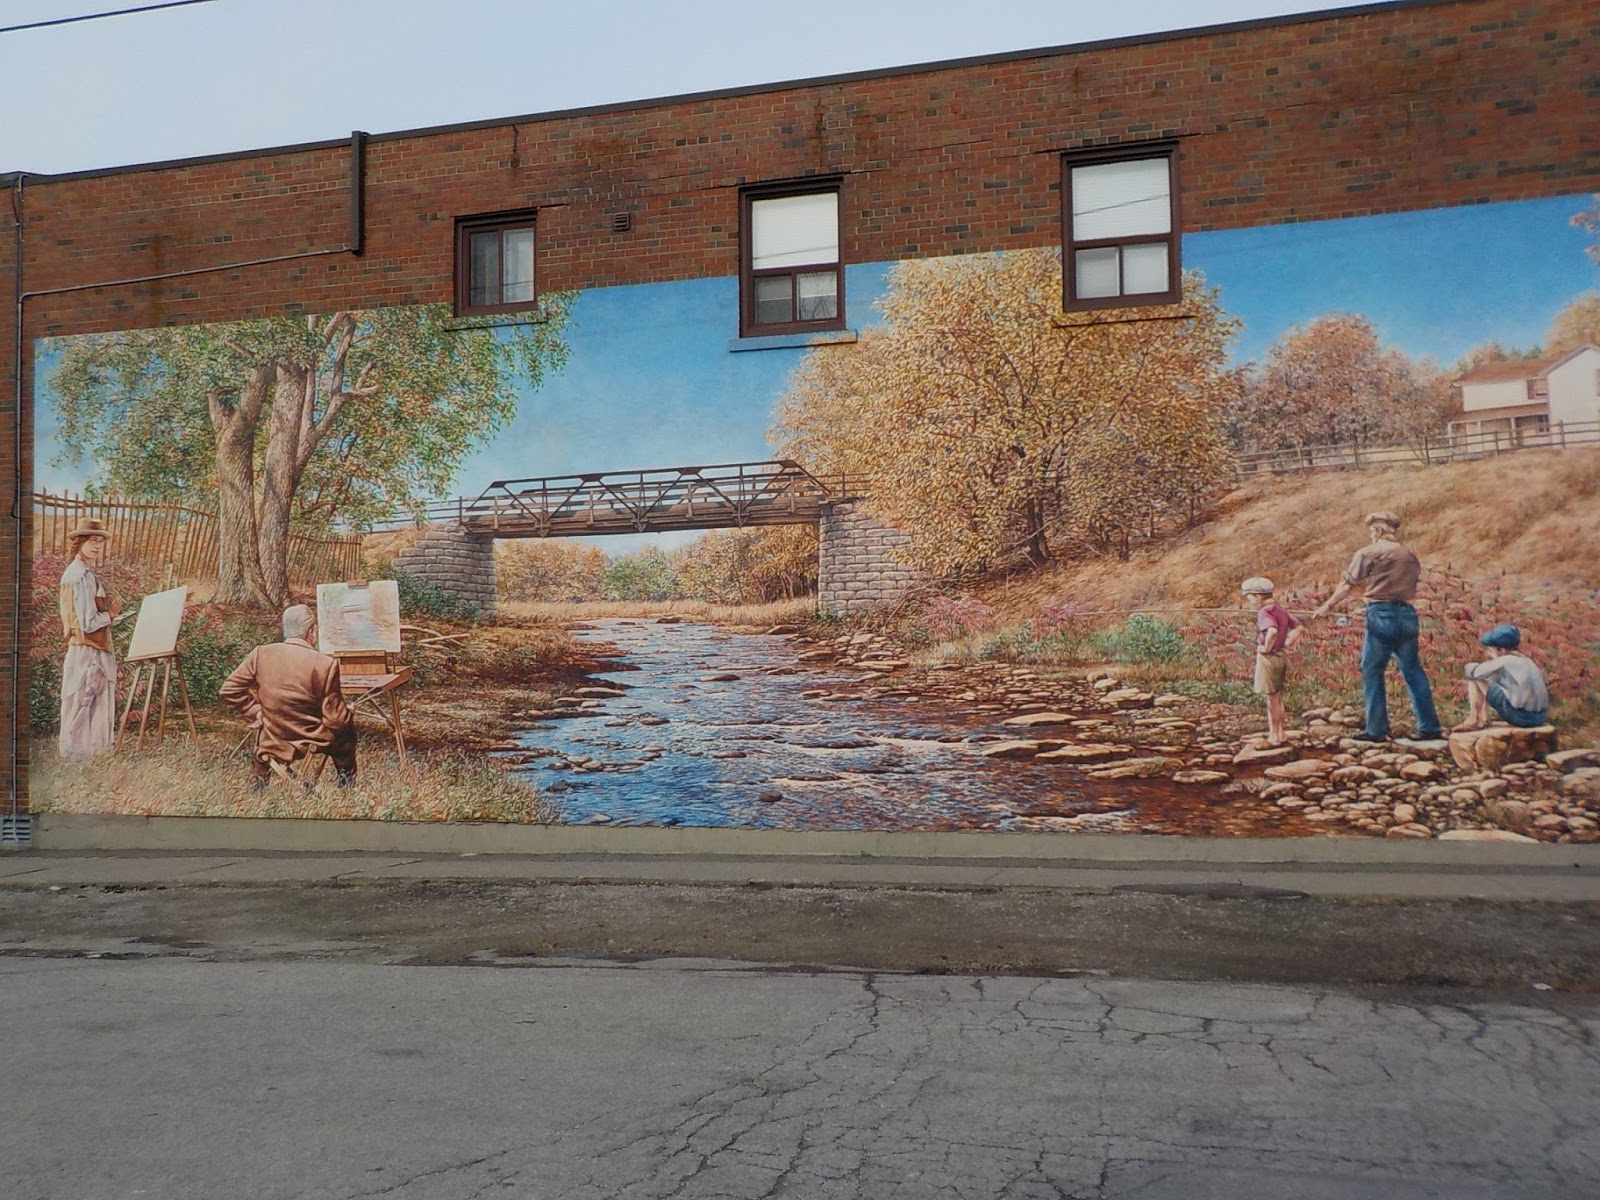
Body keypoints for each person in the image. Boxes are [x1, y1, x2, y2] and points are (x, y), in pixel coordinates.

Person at [1310, 510, 1442, 743]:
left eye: (1372, 531)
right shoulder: (1409, 555)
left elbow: (1347, 584)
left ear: (1379, 530)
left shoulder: (1368, 552)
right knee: (1412, 670)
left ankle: (1376, 730)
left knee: (1371, 670)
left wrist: (1326, 607)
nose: (1371, 535)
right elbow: (1396, 588)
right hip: (1408, 615)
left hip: (1380, 615)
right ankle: (1430, 727)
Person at [220, 604, 357, 788]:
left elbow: (229, 690)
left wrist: (257, 712)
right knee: (346, 736)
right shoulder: (325, 664)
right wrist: (348, 712)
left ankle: (257, 787)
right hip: (310, 738)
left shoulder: (261, 653)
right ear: (311, 631)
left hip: (272, 737)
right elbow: (335, 719)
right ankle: (347, 788)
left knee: (262, 741)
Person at [57, 517, 123, 759]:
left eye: (100, 542)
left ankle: (88, 755)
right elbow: (86, 623)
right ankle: (83, 755)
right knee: (86, 699)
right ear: (80, 543)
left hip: (87, 647)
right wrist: (110, 614)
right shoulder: (80, 576)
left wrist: (109, 617)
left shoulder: (80, 573)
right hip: (88, 650)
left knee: (86, 699)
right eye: (92, 541)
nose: (96, 547)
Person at [1242, 576, 1302, 745]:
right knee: (1278, 697)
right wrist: (1287, 643)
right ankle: (1281, 733)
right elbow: (1298, 627)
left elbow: (1272, 631)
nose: (1249, 601)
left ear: (1258, 596)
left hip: (1269, 658)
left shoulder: (1264, 612)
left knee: (1271, 699)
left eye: (1250, 597)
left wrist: (1266, 648)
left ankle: (1274, 735)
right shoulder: (1279, 609)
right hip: (1280, 656)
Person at [1455, 624, 1549, 731]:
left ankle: (1474, 719)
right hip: (1540, 717)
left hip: (1521, 717)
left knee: (1477, 678)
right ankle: (1484, 718)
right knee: (1489, 677)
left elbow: (1472, 672)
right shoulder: (1526, 660)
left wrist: (1470, 665)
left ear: (1501, 650)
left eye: (1491, 650)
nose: (1488, 653)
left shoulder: (1505, 660)